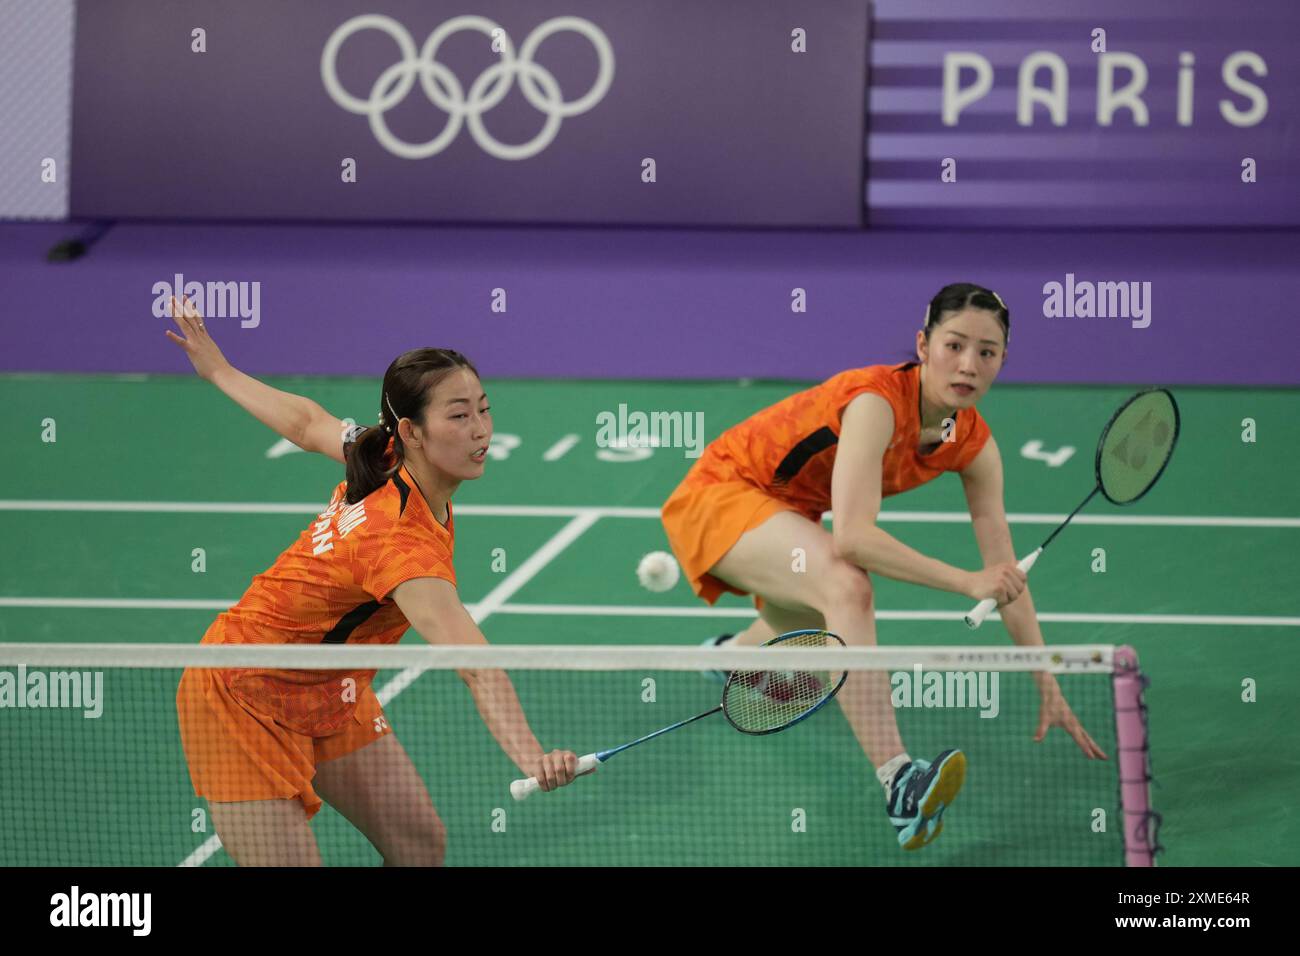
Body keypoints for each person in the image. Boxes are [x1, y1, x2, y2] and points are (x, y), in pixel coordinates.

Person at [660, 283, 1107, 851]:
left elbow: (1005, 576)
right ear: (923, 345)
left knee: (821, 617)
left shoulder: (974, 445)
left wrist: (1046, 680)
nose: (968, 365)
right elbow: (853, 538)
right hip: (724, 492)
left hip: (791, 513)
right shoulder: (876, 403)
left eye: (987, 352)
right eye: (954, 345)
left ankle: (731, 659)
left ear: (1002, 361)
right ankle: (900, 782)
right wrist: (965, 582)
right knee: (846, 585)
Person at [166, 296, 580, 865]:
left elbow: (306, 423)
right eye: (459, 416)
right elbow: (476, 666)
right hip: (243, 691)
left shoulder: (384, 452)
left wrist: (219, 370)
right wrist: (532, 756)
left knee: (418, 843)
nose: (481, 430)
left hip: (327, 684)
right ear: (412, 430)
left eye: (483, 410)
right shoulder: (400, 548)